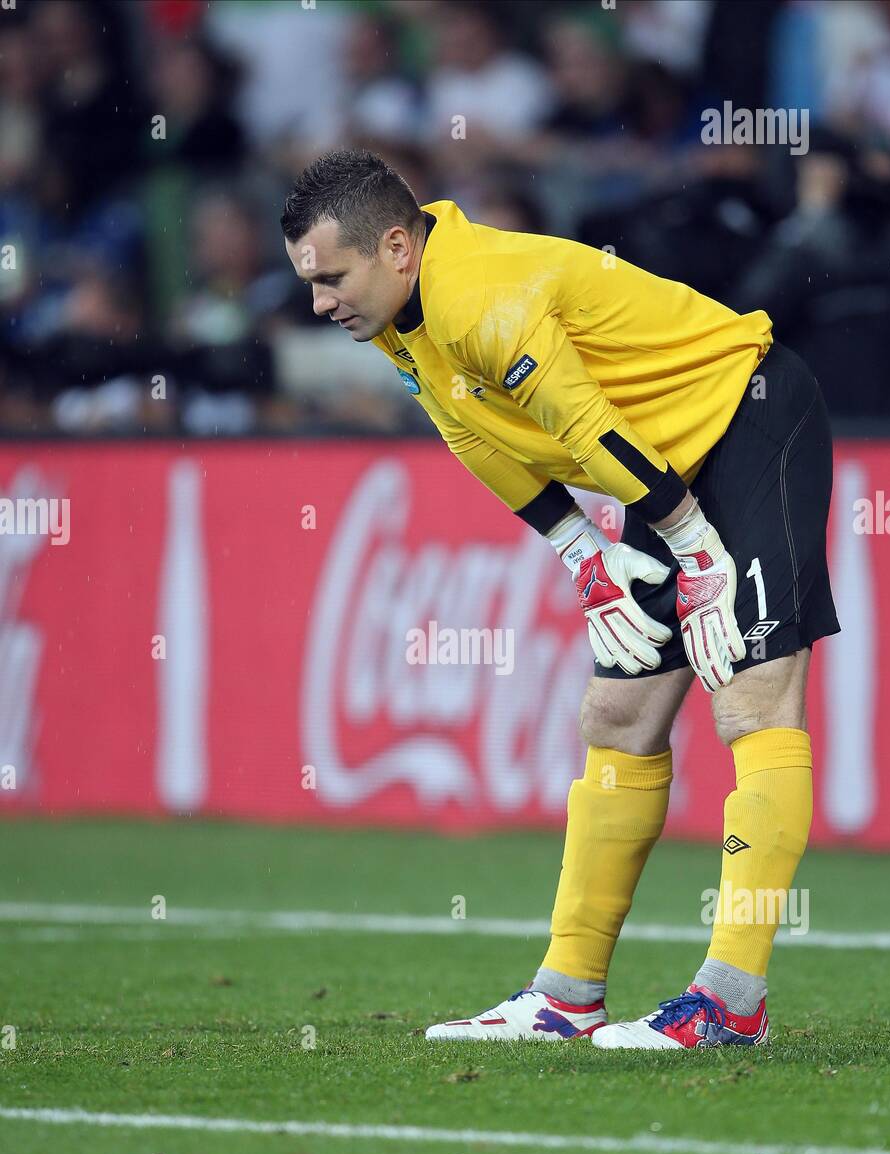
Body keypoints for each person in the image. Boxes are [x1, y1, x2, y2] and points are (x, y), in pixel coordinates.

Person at [280, 150, 839, 1051]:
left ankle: (733, 997)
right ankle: (566, 994)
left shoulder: (481, 297)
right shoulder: (398, 316)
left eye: (331, 278)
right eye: (310, 283)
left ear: (395, 246)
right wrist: (580, 550)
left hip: (746, 415)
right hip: (660, 469)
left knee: (751, 699)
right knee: (616, 716)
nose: (319, 303)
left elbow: (585, 428)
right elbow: (471, 434)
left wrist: (693, 548)